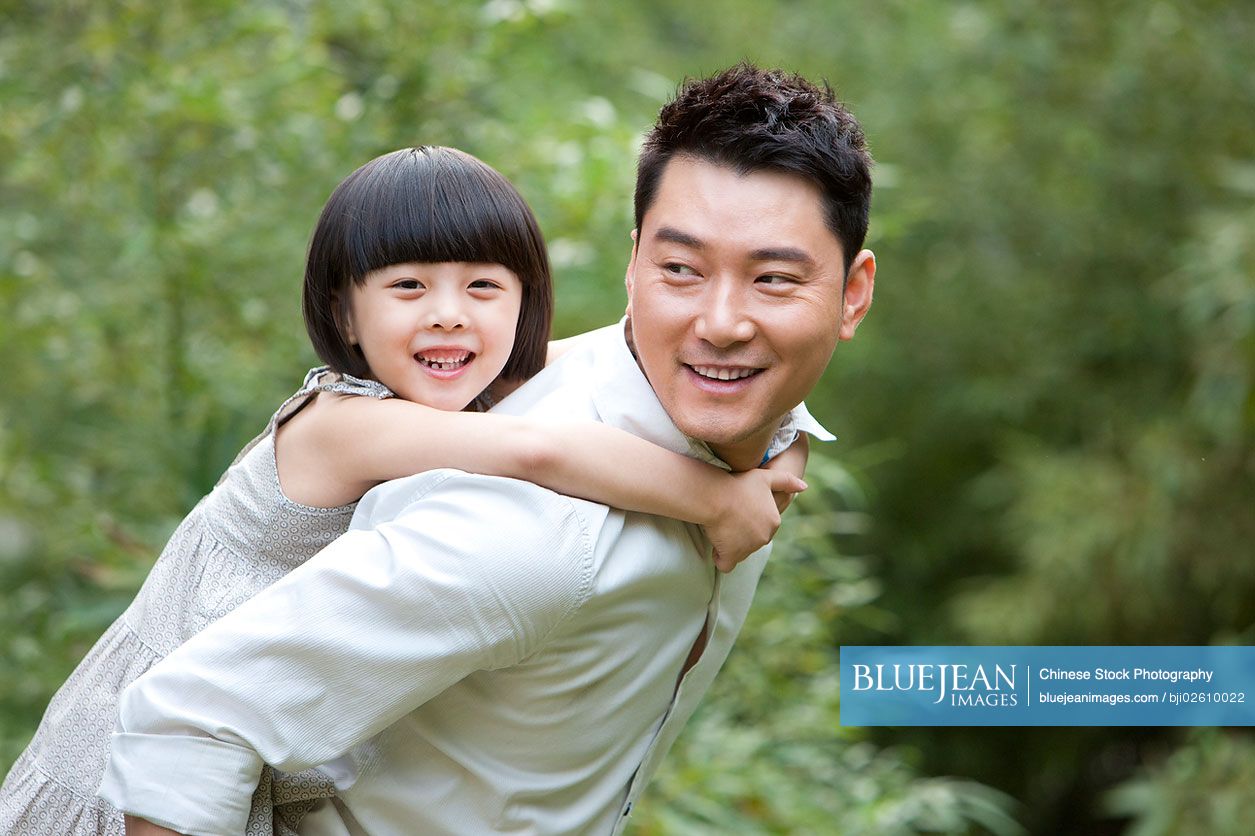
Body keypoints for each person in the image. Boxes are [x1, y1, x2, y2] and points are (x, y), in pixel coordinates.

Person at [101, 62, 876, 835]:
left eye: (773, 279)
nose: (721, 323)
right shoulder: (527, 530)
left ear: (852, 295)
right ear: (633, 264)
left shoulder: (740, 423)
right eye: (680, 269)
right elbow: (185, 725)